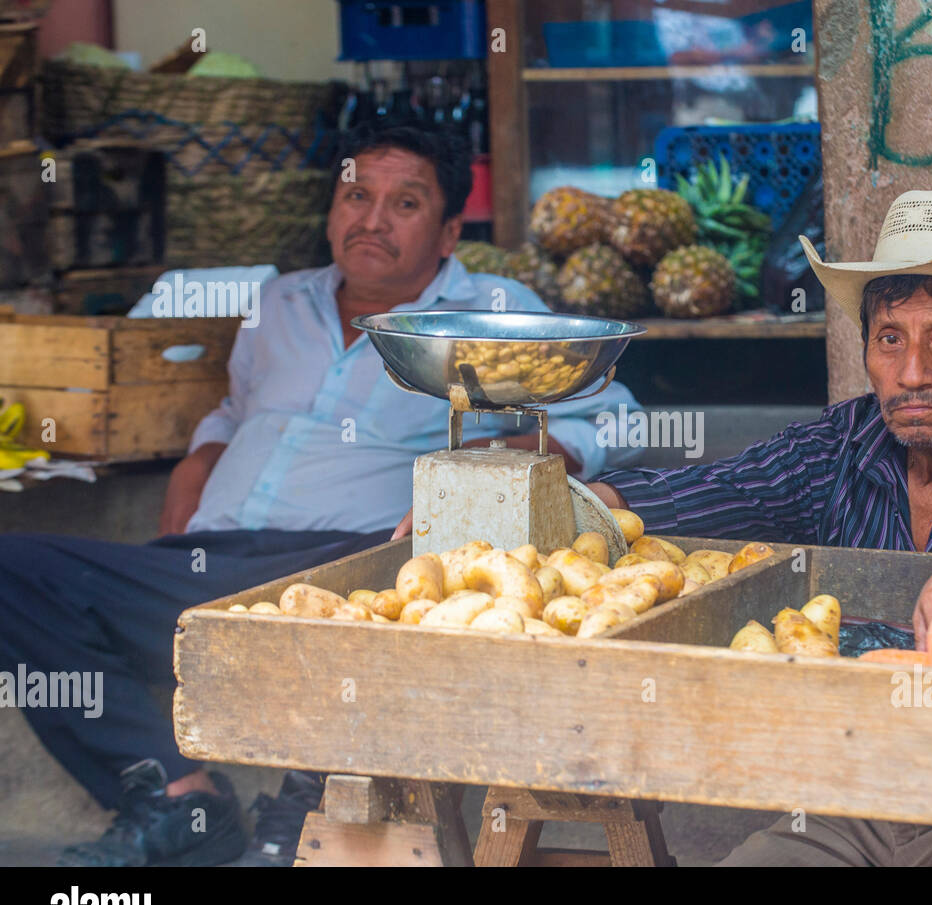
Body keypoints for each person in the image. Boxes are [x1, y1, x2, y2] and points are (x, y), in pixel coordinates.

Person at [0, 121, 644, 866]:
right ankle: (179, 800)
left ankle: (309, 808)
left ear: (447, 232)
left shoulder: (493, 308)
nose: (371, 220)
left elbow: (611, 411)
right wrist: (198, 458)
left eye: (404, 203)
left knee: (388, 610)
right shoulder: (277, 303)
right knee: (16, 570)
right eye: (354, 195)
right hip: (207, 562)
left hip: (350, 565)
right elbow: (239, 410)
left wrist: (508, 455)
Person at [584, 187, 932, 865]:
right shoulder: (841, 445)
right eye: (890, 340)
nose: (913, 374)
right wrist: (562, 500)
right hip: (854, 800)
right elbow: (702, 491)